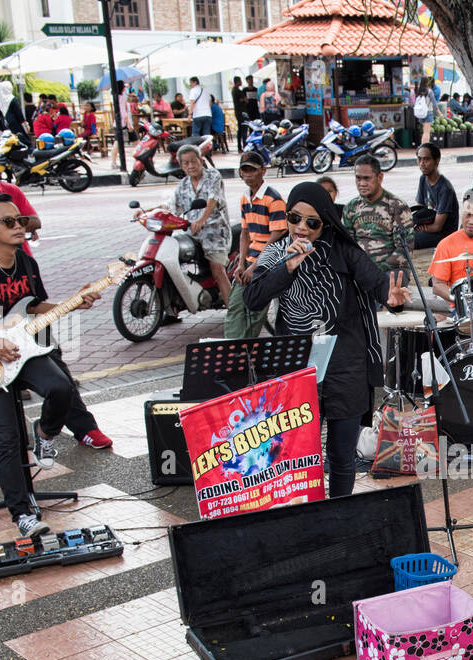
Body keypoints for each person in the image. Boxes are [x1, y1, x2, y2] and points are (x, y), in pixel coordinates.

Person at [0, 194, 113, 538]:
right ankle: (23, 514)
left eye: (20, 221)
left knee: (61, 389)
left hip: (23, 347)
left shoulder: (26, 263)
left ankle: (44, 434)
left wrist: (73, 304)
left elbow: (33, 306)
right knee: (6, 439)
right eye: (8, 222)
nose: (19, 227)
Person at [242, 182, 410, 497]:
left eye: (312, 222)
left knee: (342, 456)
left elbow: (376, 283)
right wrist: (288, 266)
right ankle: (309, 515)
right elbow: (252, 297)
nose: (301, 228)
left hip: (345, 365)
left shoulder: (342, 250)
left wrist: (392, 296)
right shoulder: (276, 252)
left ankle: (341, 513)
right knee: (296, 454)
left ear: (326, 223)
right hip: (296, 367)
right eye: (294, 218)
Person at [226, 152, 287, 340]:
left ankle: (243, 353)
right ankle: (231, 349)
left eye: (252, 170)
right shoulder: (245, 198)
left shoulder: (273, 199)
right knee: (235, 305)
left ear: (263, 171)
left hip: (269, 261)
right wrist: (241, 264)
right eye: (244, 170)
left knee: (254, 311)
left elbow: (276, 236)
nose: (248, 175)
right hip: (251, 259)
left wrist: (256, 266)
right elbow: (245, 233)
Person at [168, 144, 231, 305]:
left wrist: (202, 219)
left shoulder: (213, 176)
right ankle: (171, 309)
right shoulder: (183, 185)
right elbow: (172, 206)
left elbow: (213, 199)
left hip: (215, 231)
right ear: (181, 166)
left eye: (193, 162)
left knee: (217, 269)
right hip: (191, 233)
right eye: (186, 163)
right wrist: (147, 212)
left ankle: (234, 315)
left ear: (201, 161)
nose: (190, 166)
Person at [341, 155, 413, 272]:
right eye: (358, 178)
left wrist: (377, 270)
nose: (362, 183)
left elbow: (404, 249)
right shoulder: (350, 207)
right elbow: (347, 245)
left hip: (391, 269)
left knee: (389, 284)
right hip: (360, 269)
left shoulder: (397, 206)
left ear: (380, 177)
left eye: (367, 178)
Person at [413, 143, 458, 249]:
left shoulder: (445, 188)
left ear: (437, 160)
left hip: (443, 235)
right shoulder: (423, 179)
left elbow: (437, 227)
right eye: (419, 159)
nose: (422, 164)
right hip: (428, 228)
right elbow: (420, 209)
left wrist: (421, 228)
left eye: (426, 159)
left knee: (406, 241)